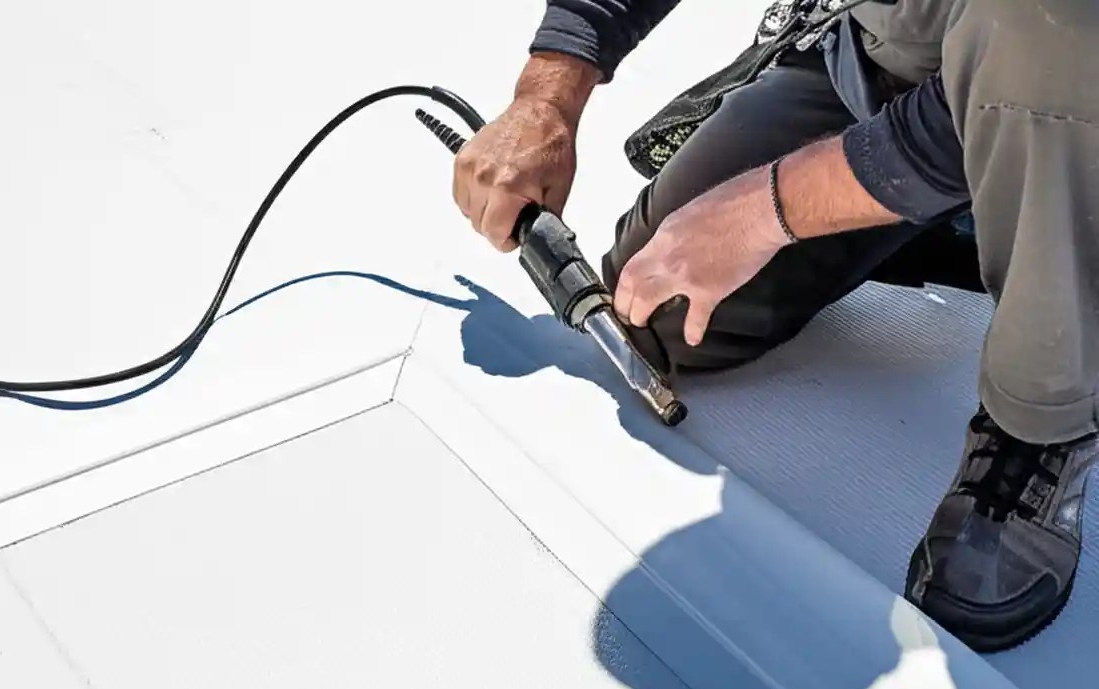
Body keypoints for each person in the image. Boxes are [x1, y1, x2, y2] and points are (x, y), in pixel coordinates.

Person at [451, 0, 1099, 653]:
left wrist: (767, 209)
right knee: (667, 313)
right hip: (901, 37)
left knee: (1048, 54)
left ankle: (1046, 418)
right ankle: (969, 196)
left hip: (1065, 57)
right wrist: (547, 98)